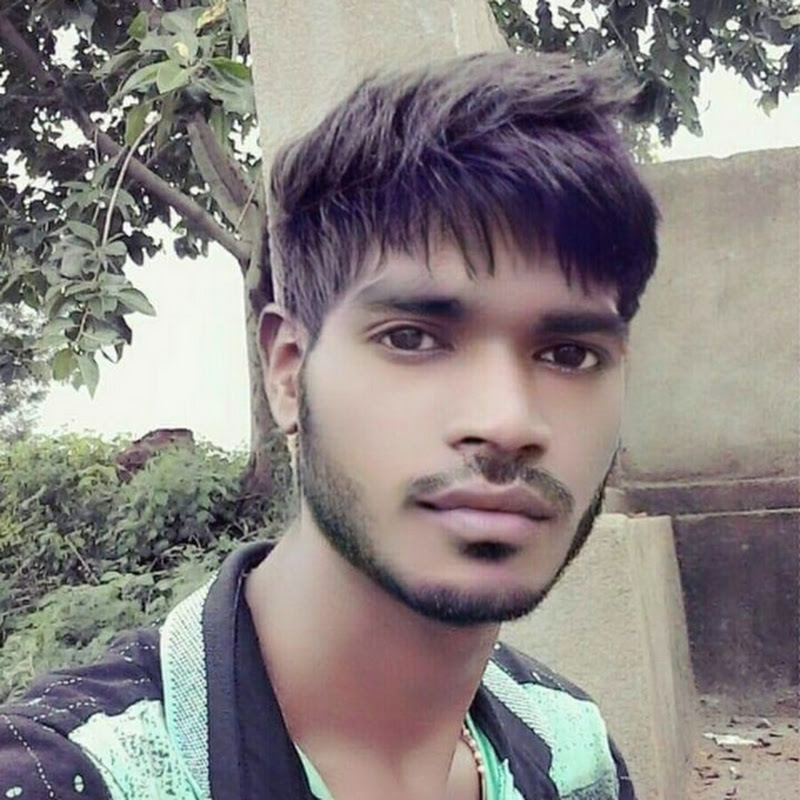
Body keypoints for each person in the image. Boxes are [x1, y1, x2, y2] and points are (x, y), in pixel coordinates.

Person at [0, 51, 658, 799]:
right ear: (288, 372)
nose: (508, 422)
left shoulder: (574, 753)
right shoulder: (72, 776)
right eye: (412, 338)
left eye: (570, 353)